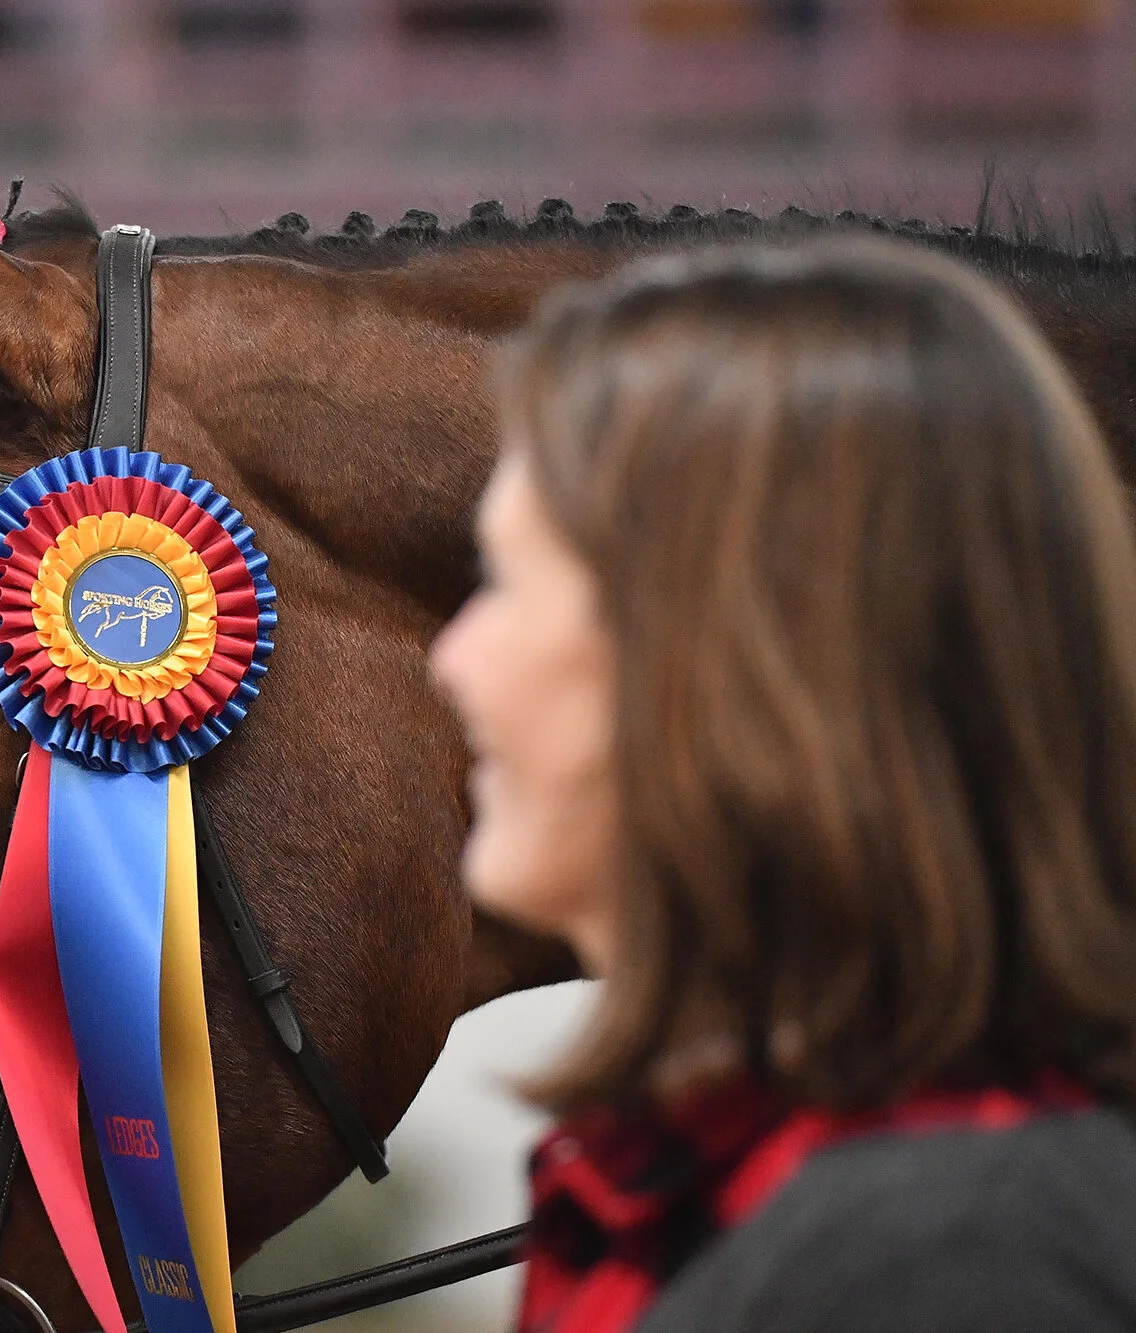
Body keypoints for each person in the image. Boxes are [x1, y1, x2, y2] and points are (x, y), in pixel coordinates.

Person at [428, 240, 1136, 1333]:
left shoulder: (952, 1258)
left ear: (736, 662)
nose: (452, 661)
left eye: (507, 585)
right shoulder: (749, 1194)